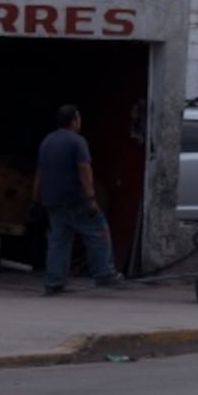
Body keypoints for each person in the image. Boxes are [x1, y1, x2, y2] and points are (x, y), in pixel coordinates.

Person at [33, 103, 120, 295]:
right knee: (98, 232)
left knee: (58, 241)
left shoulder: (47, 141)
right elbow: (84, 169)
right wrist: (91, 197)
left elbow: (40, 172)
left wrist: (36, 198)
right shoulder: (78, 142)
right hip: (76, 199)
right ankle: (104, 275)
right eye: (78, 118)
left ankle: (54, 282)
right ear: (74, 121)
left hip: (53, 201)